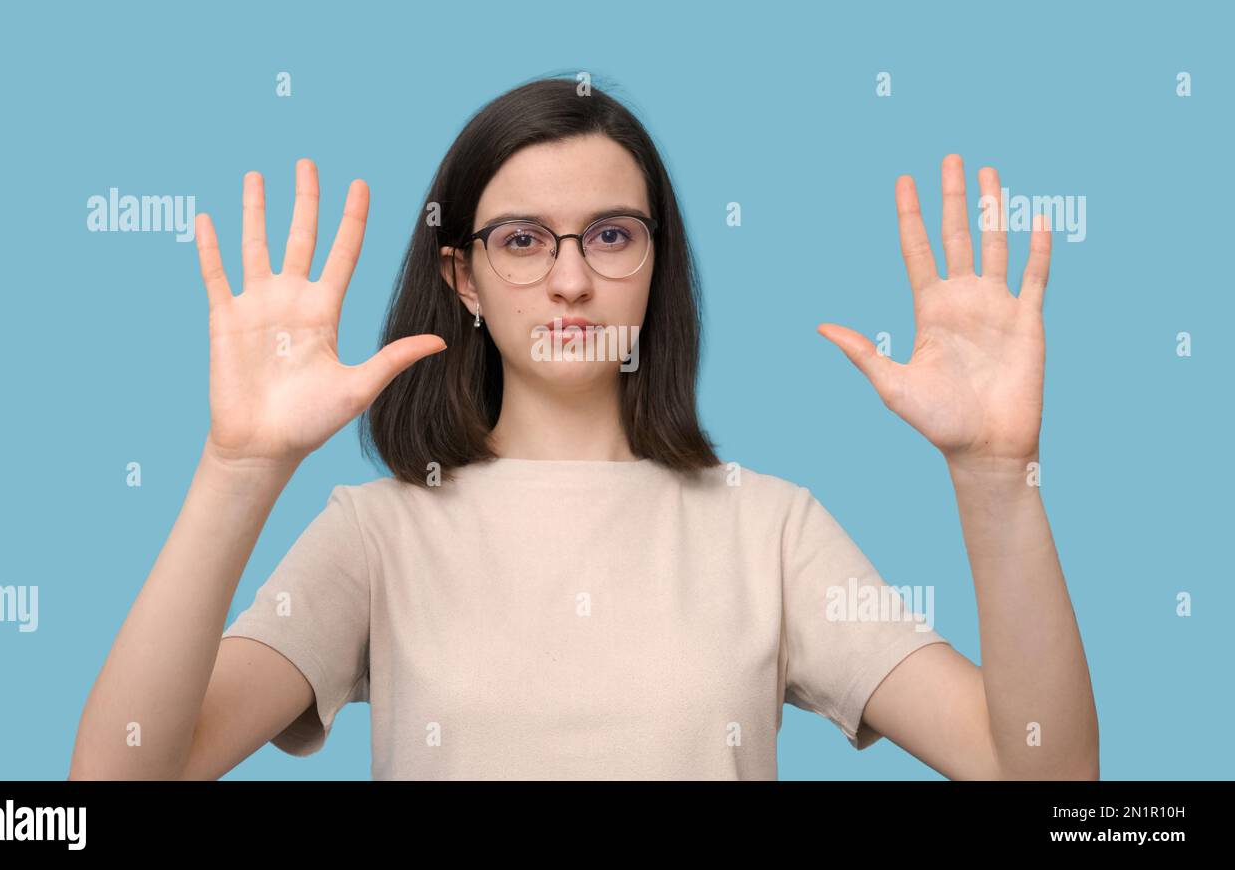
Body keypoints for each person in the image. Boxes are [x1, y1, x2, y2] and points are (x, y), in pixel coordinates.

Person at [68, 77, 1098, 781]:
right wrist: (237, 466)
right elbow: (116, 776)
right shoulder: (374, 535)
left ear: (656, 263)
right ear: (462, 277)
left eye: (611, 234)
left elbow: (1041, 773)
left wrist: (997, 476)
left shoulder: (770, 529)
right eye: (522, 240)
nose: (570, 277)